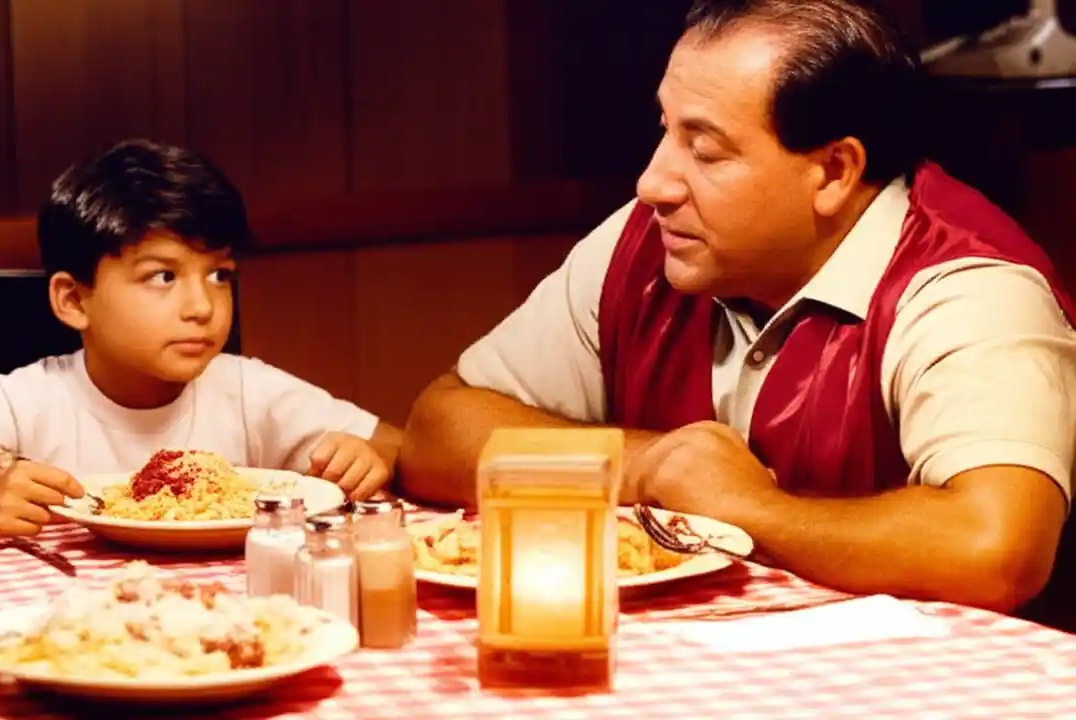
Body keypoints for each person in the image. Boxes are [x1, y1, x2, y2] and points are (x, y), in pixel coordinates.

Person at [398, 0, 1076, 613]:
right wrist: (648, 466)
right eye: (665, 130)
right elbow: (438, 432)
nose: (654, 181)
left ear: (834, 172)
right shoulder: (650, 242)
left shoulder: (966, 287)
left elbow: (997, 551)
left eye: (706, 150)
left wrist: (747, 507)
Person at [0, 139, 402, 536]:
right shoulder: (27, 401)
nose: (202, 306)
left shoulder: (248, 389)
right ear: (74, 300)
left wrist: (369, 457)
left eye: (220, 275)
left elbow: (410, 450)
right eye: (163, 276)